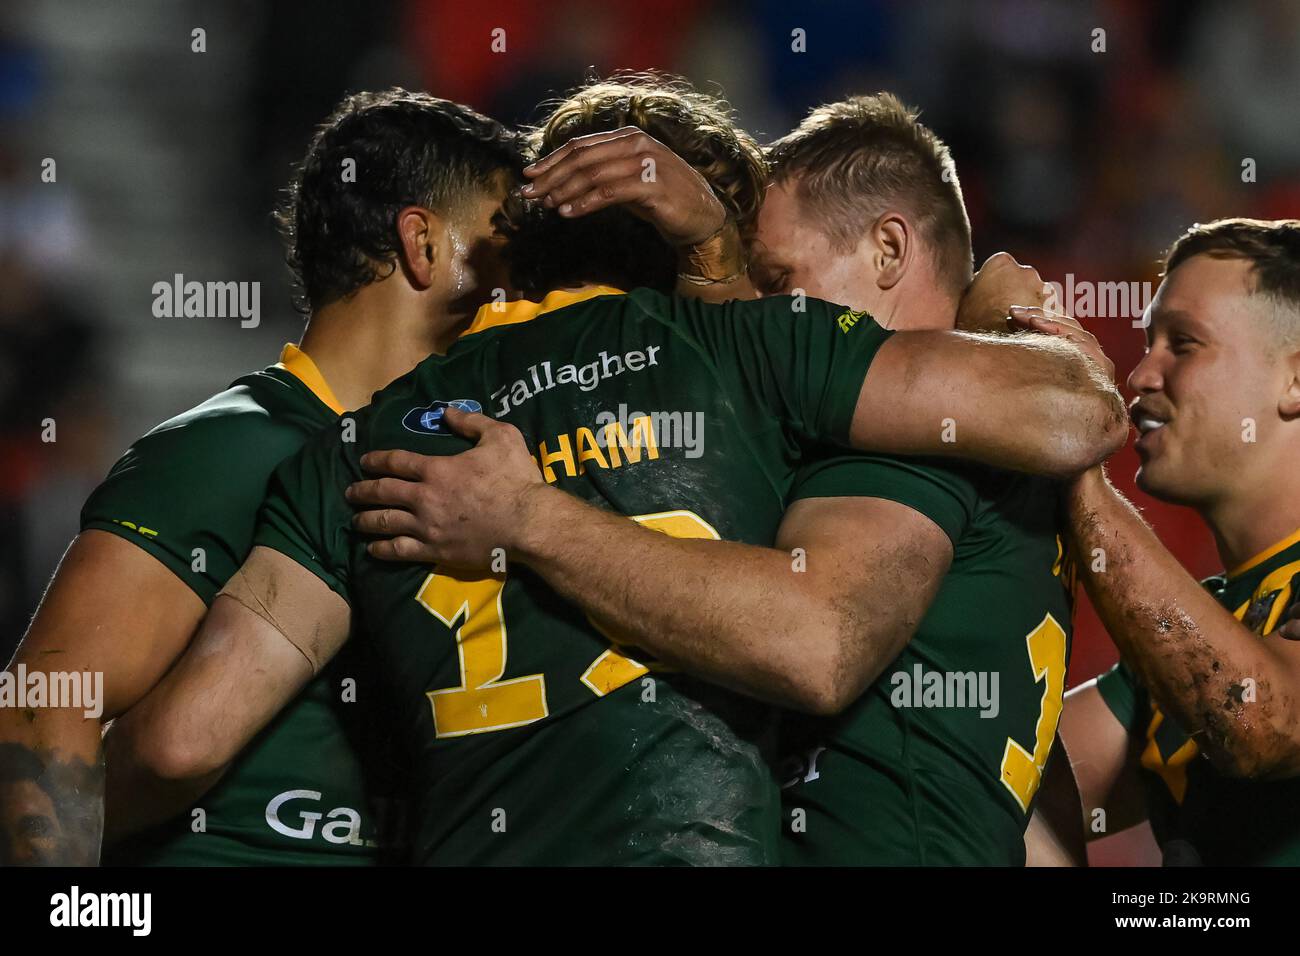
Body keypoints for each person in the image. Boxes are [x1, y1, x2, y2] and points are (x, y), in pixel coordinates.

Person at [107, 77, 1125, 865]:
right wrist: (1000, 310)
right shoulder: (770, 365)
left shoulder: (364, 446)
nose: (773, 294)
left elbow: (179, 742)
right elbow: (1074, 407)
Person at [0, 88, 524, 865]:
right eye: (503, 236)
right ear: (424, 244)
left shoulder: (474, 464)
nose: (529, 272)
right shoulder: (226, 450)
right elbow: (45, 709)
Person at [1042, 218, 1300, 866]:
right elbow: (991, 795)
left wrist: (1078, 474)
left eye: (1183, 344)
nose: (1140, 375)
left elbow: (1259, 721)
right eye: (1147, 341)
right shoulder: (1195, 637)